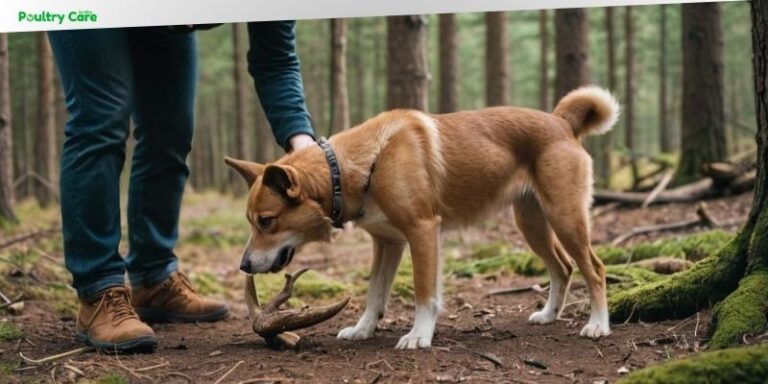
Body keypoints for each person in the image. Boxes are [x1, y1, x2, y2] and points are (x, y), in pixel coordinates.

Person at [48, 21, 316, 352]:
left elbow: (276, 61)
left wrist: (305, 150)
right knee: (101, 119)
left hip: (163, 21)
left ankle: (153, 277)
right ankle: (98, 290)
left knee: (170, 129)